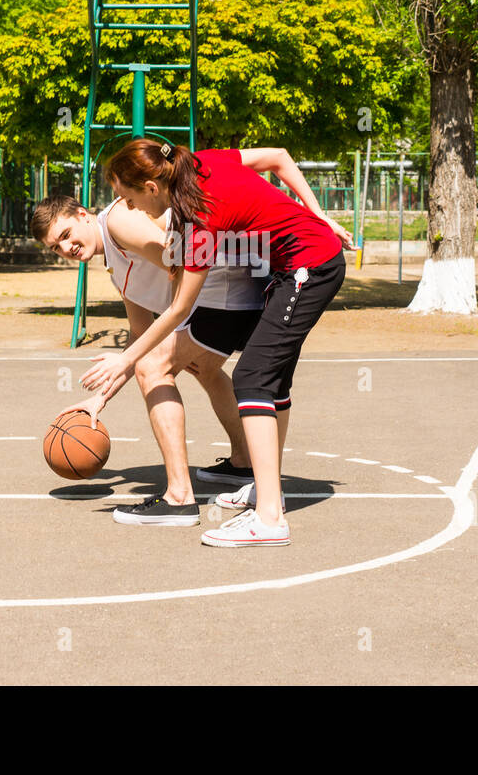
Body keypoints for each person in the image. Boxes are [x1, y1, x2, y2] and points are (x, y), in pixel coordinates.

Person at [79, 141, 353, 548]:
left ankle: (270, 520)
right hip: (293, 267)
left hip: (309, 267)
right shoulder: (201, 162)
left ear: (153, 187)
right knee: (271, 382)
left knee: (253, 378)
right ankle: (266, 490)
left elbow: (177, 310)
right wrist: (315, 215)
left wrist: (126, 360)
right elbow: (278, 156)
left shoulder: (200, 219)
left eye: (129, 198)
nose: (130, 208)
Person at [34, 194, 261, 525]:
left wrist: (143, 352)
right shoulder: (117, 269)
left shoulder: (116, 221)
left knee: (153, 367)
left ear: (83, 215)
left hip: (223, 287)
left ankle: (180, 498)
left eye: (66, 234)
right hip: (224, 293)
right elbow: (140, 336)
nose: (66, 248)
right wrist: (99, 399)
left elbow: (179, 257)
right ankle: (244, 464)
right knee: (203, 368)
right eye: (56, 247)